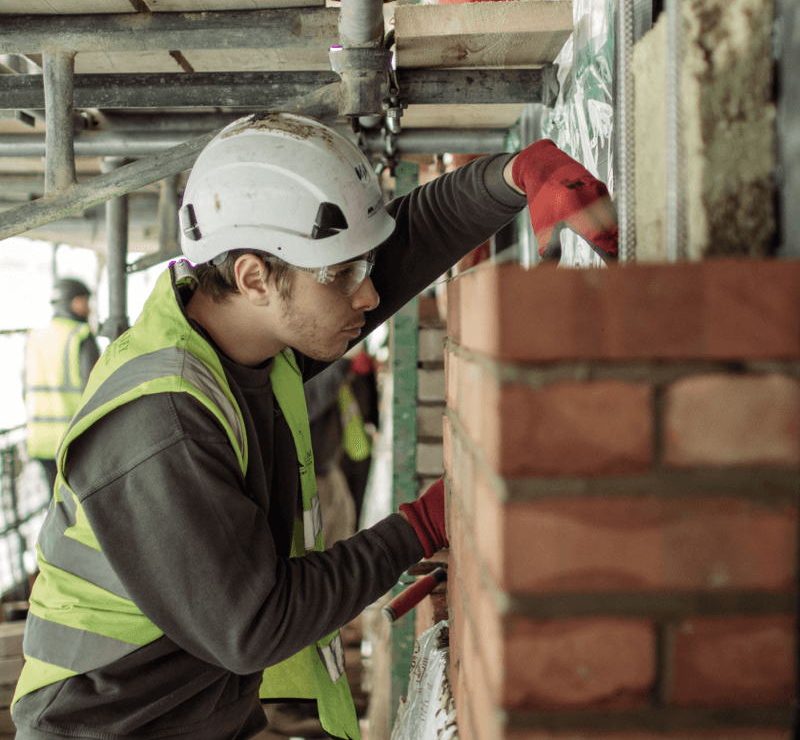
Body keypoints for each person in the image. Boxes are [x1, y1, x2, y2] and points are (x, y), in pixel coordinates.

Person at [11, 111, 617, 740]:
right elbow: (257, 625)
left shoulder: (246, 337)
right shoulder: (166, 425)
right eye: (342, 275)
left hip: (190, 713)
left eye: (361, 267)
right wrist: (422, 526)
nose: (369, 296)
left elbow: (403, 251)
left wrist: (514, 176)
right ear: (254, 277)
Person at [23, 277, 100, 496]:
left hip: (39, 441)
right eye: (85, 301)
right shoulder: (80, 336)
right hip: (73, 443)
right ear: (73, 303)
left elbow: (24, 390)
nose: (89, 308)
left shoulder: (35, 337)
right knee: (80, 511)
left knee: (55, 505)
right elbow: (95, 390)